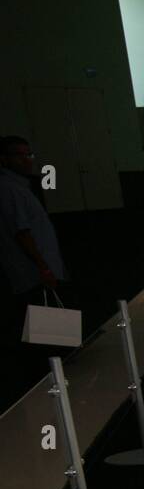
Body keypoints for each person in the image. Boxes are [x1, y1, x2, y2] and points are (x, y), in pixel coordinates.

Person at [0, 135, 69, 347]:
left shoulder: (20, 186)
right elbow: (22, 232)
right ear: (4, 159)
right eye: (18, 156)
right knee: (42, 324)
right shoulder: (9, 189)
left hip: (37, 269)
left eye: (28, 154)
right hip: (32, 272)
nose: (26, 160)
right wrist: (43, 267)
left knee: (45, 321)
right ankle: (52, 363)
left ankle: (55, 357)